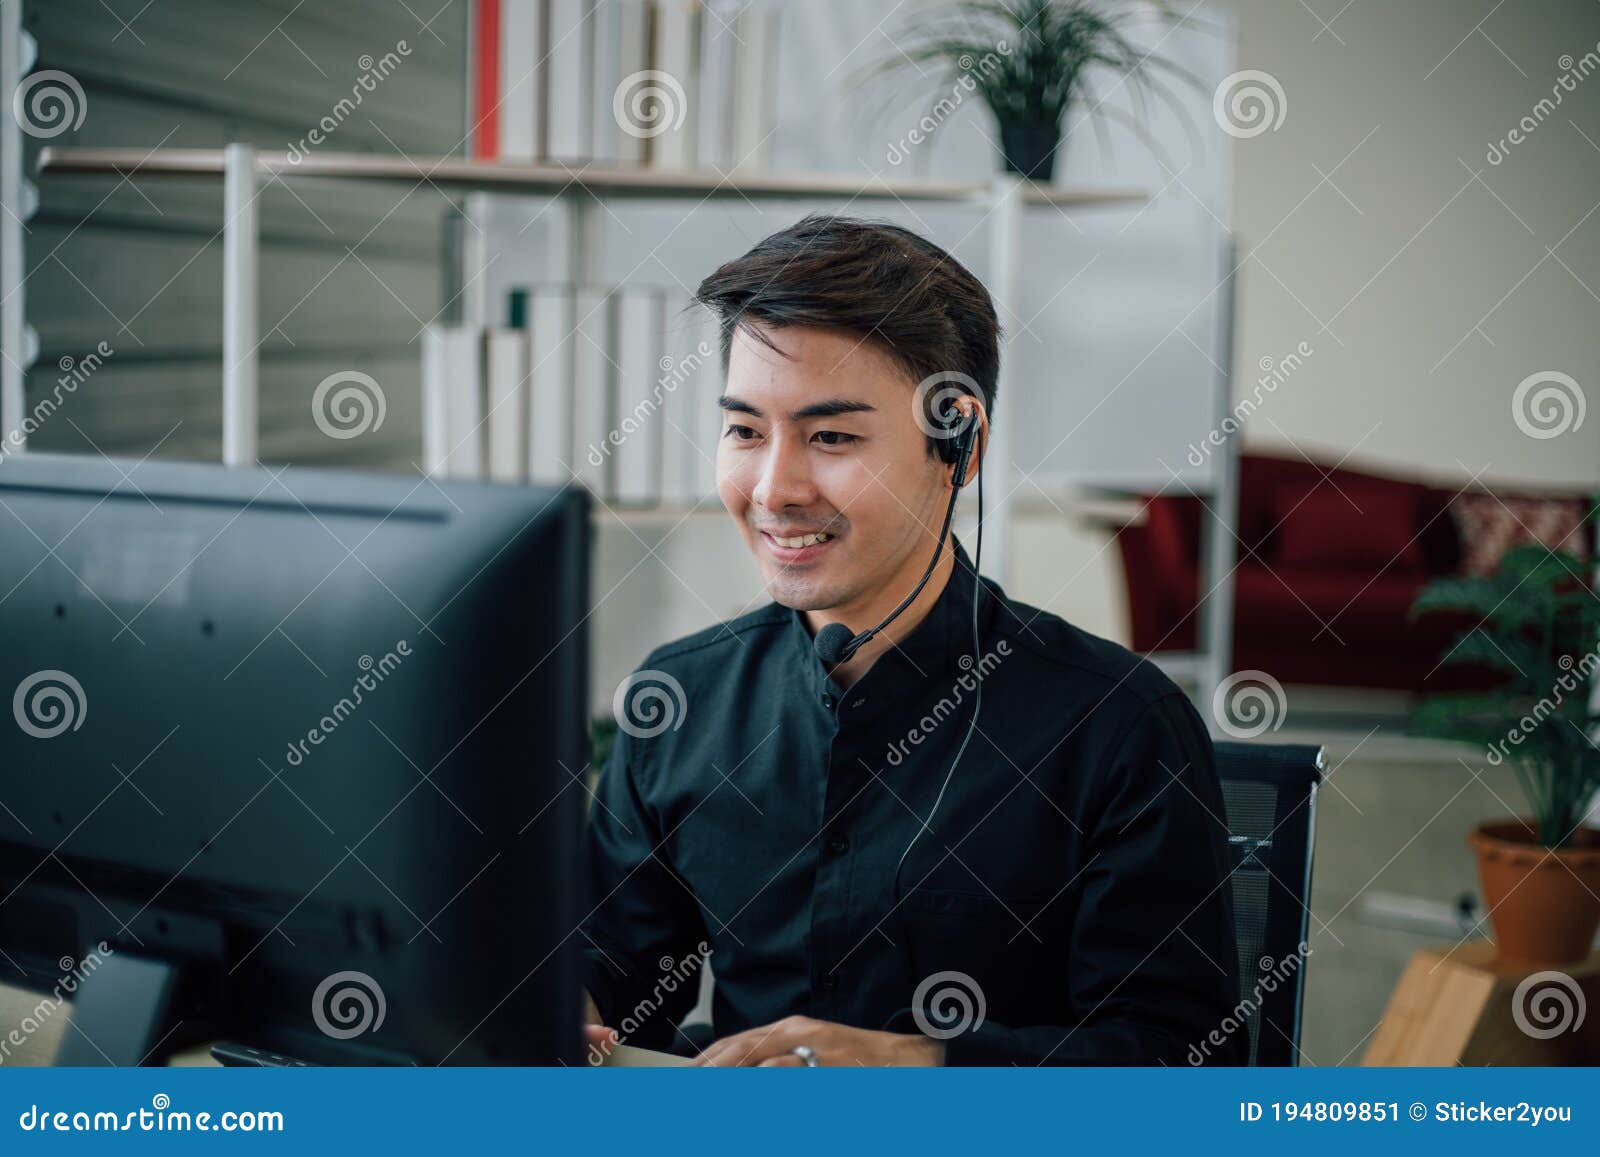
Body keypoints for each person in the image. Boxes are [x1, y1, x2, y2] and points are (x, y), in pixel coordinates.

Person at [582, 215, 1243, 1066]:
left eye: (831, 436)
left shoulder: (1120, 726)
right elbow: (616, 970)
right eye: (746, 430)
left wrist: (913, 1065)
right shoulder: (679, 702)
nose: (774, 489)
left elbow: (1184, 1060)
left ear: (958, 446)